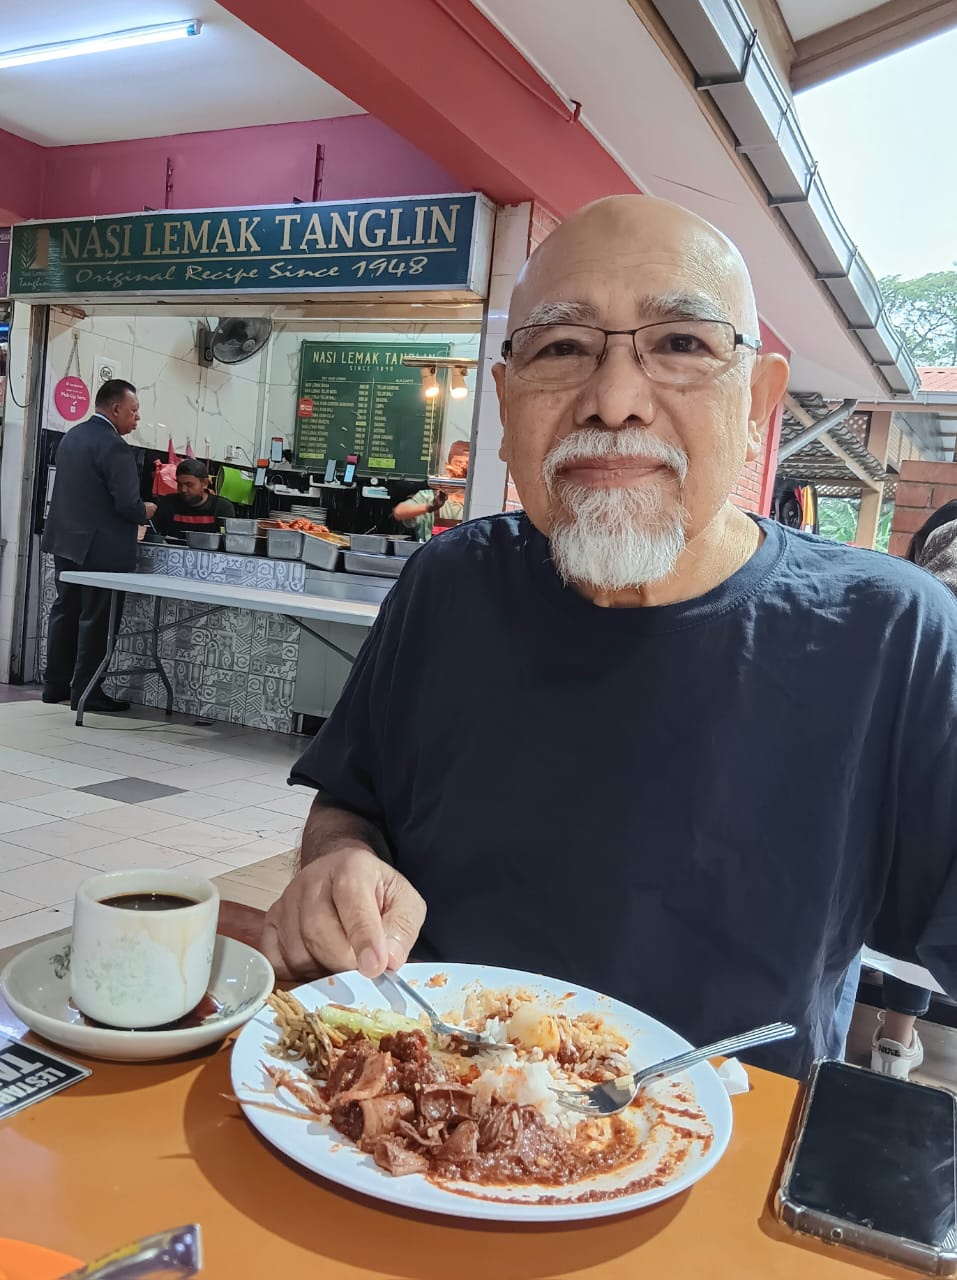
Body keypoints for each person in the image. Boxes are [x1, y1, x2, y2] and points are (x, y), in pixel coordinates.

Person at [251, 195, 957, 1079]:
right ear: (506, 404)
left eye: (682, 344)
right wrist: (337, 863)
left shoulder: (892, 633)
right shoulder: (449, 583)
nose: (615, 400)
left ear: (757, 402)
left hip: (722, 1176)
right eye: (560, 348)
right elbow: (353, 805)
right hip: (430, 1116)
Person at [868, 508, 957, 1078]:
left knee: (893, 880)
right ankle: (896, 1046)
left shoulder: (947, 519)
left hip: (927, 700)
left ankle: (889, 1039)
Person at [42, 379, 155, 714]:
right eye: (134, 412)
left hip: (66, 543)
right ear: (116, 408)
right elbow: (126, 504)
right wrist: (145, 510)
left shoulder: (72, 437)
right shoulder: (115, 446)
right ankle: (87, 692)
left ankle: (55, 685)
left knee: (65, 611)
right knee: (96, 619)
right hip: (100, 551)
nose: (137, 419)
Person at [392, 441, 469, 540]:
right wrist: (431, 507)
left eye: (467, 463)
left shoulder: (478, 502)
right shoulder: (431, 497)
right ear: (449, 464)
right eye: (458, 463)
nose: (463, 467)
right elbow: (399, 512)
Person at [153, 458, 235, 537]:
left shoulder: (222, 508)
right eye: (180, 484)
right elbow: (156, 535)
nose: (183, 490)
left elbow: (229, 541)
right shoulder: (168, 504)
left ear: (205, 483)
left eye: (189, 485)